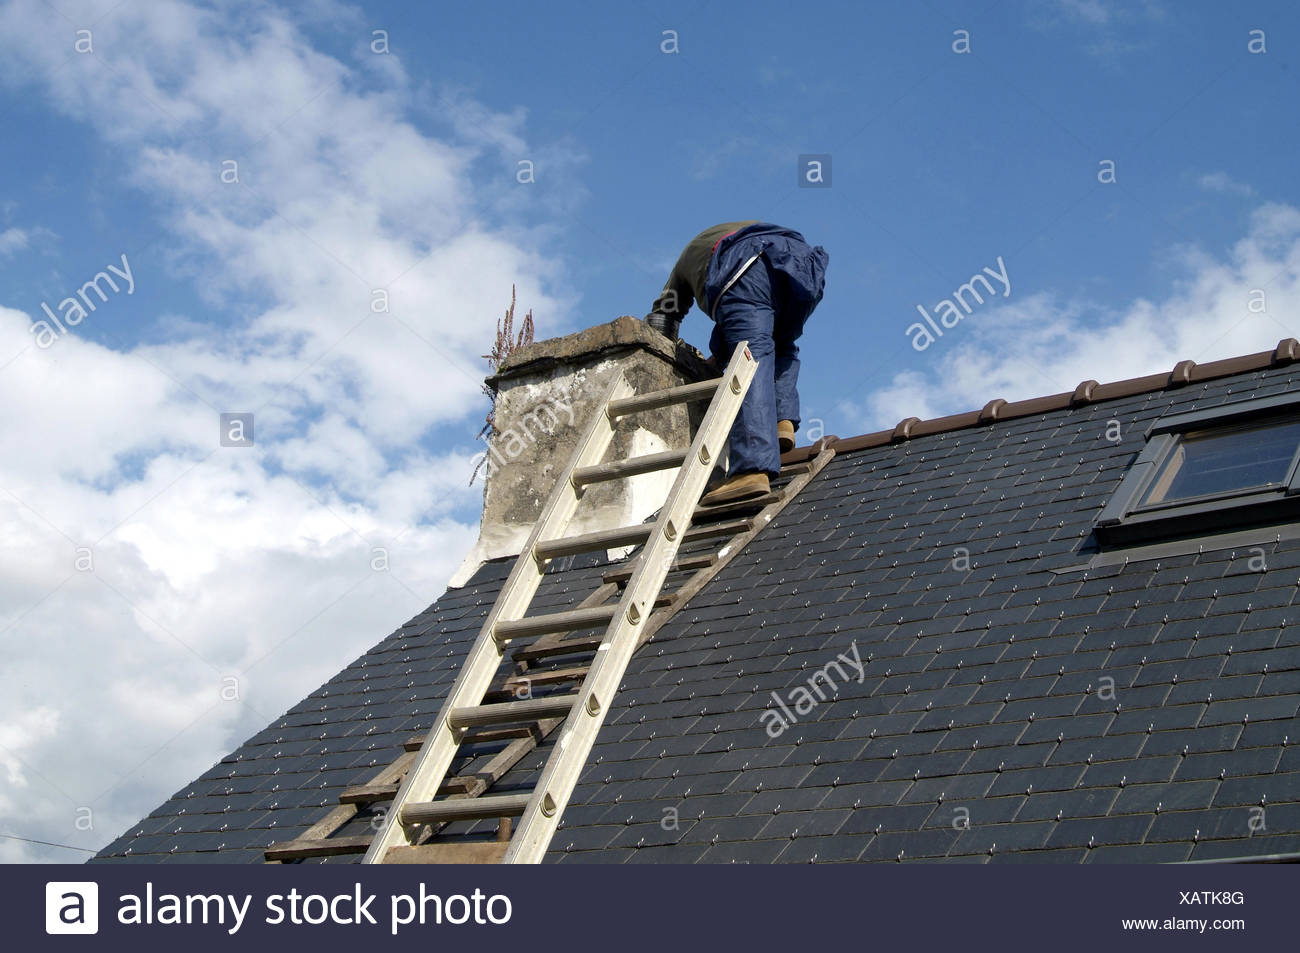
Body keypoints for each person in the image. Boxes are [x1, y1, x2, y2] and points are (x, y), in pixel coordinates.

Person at [644, 221, 828, 504]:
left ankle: (752, 470)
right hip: (803, 264)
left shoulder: (683, 265)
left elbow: (663, 317)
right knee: (781, 345)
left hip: (747, 259)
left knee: (750, 354)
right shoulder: (732, 232)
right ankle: (782, 421)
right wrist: (717, 357)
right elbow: (736, 329)